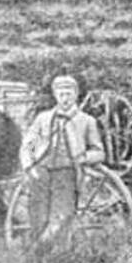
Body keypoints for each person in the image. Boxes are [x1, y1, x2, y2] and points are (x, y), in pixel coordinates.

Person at [19, 74, 106, 240]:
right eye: (61, 94)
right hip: (41, 172)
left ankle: (37, 254)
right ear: (55, 95)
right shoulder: (43, 119)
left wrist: (84, 157)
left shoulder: (86, 121)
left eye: (69, 94)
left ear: (76, 95)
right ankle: (45, 258)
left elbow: (99, 152)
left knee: (62, 217)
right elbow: (29, 145)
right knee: (38, 217)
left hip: (67, 174)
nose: (65, 99)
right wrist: (29, 166)